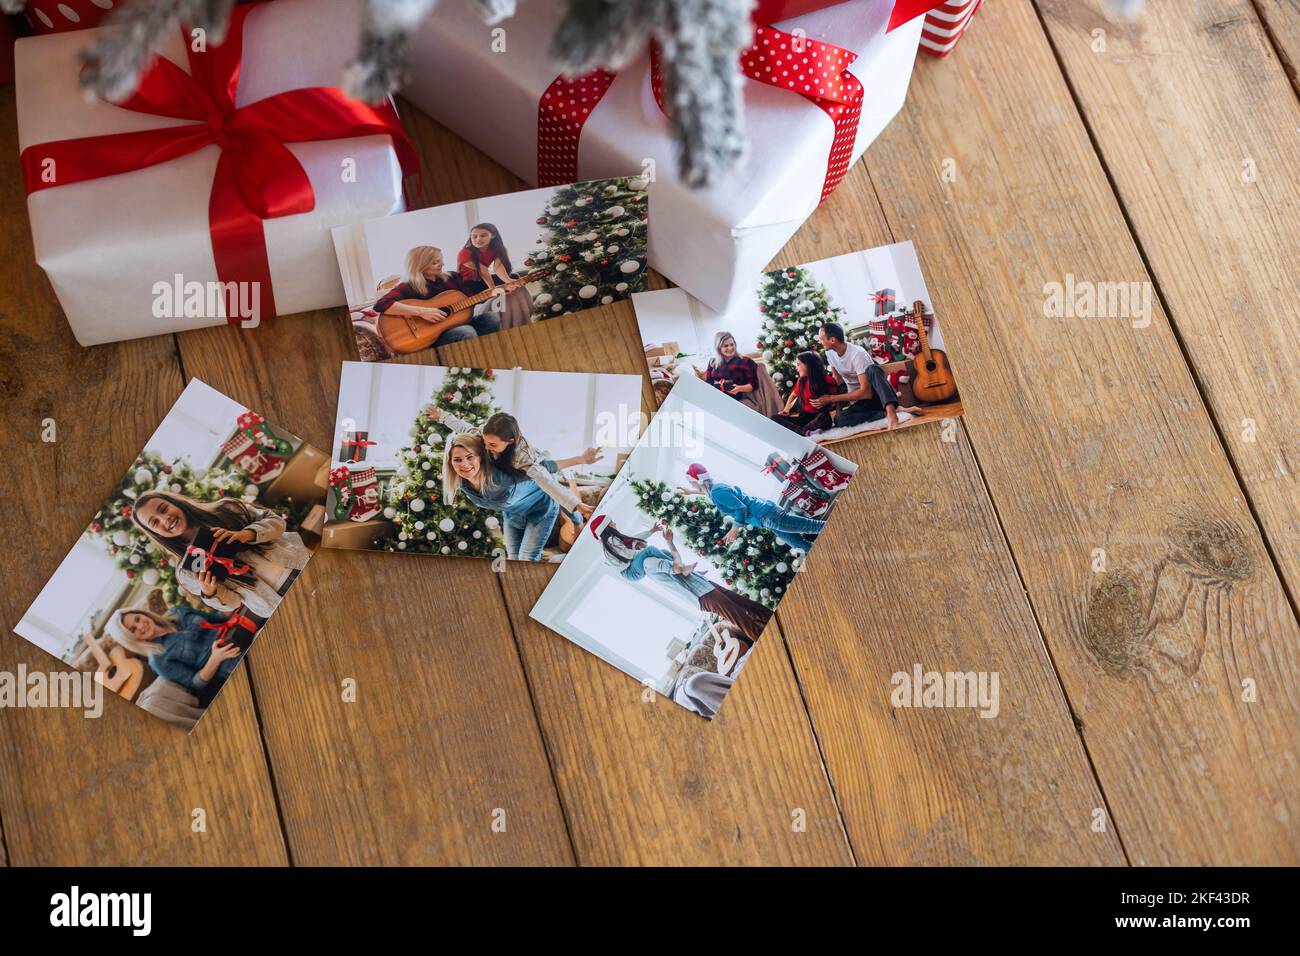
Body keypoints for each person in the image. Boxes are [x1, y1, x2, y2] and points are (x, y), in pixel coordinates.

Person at [591, 515, 772, 645]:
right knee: (740, 616)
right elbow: (669, 565)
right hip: (700, 594)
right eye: (612, 521)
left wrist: (669, 541)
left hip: (702, 583)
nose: (615, 522)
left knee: (745, 605)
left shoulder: (657, 556)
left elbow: (674, 559)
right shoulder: (648, 565)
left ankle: (772, 619)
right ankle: (770, 642)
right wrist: (673, 563)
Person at [132, 491, 310, 618]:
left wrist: (246, 534)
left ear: (175, 503)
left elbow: (277, 522)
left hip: (298, 565)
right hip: (274, 602)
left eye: (163, 509)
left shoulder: (227, 509)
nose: (165, 519)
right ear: (155, 533)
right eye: (154, 522)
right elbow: (233, 603)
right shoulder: (187, 573)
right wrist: (211, 591)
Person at [425, 406, 599, 520]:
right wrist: (442, 416)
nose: (485, 447)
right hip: (506, 465)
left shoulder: (523, 458)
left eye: (492, 445)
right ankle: (583, 459)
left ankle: (583, 459)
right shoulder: (482, 436)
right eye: (485, 442)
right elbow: (462, 427)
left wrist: (577, 505)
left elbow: (548, 483)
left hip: (538, 461)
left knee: (545, 470)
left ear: (508, 441)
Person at [442, 433, 559, 561]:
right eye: (457, 459)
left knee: (527, 558)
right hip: (513, 515)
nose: (464, 464)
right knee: (514, 560)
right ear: (451, 462)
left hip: (541, 510)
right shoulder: (462, 484)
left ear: (480, 457)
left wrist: (579, 459)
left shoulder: (500, 477)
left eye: (470, 457)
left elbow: (544, 468)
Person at [372, 245, 508, 346]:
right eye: (435, 262)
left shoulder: (452, 277)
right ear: (420, 265)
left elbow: (472, 297)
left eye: (441, 260)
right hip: (431, 336)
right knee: (466, 332)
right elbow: (381, 304)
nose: (442, 264)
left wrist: (500, 288)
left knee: (492, 318)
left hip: (458, 324)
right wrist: (422, 312)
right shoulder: (408, 287)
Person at [105, 605, 244, 701]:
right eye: (133, 629)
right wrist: (215, 659)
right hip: (229, 664)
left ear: (142, 614)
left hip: (237, 632)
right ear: (132, 639)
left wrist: (229, 602)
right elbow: (195, 683)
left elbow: (216, 617)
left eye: (137, 618)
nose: (141, 625)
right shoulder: (157, 660)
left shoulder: (176, 611)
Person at [678, 463, 824, 553]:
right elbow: (711, 494)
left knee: (813, 526)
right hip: (766, 516)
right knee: (800, 545)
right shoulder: (715, 489)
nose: (691, 485)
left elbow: (741, 508)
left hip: (766, 515)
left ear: (697, 480)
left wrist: (734, 530)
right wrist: (692, 492)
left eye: (691, 483)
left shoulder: (717, 492)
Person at [814, 322, 923, 430]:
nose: (819, 341)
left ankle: (891, 413)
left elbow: (866, 392)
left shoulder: (857, 354)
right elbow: (837, 380)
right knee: (840, 420)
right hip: (861, 401)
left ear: (832, 340)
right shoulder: (830, 353)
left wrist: (832, 398)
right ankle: (893, 411)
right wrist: (822, 394)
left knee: (873, 369)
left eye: (821, 338)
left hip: (877, 395)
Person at [456, 222, 533, 330]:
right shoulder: (464, 252)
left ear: (493, 235)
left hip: (482, 280)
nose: (478, 239)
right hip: (468, 284)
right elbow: (483, 270)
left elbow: (498, 268)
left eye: (483, 235)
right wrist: (492, 289)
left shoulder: (497, 249)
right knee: (506, 285)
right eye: (474, 236)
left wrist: (508, 280)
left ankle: (522, 319)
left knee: (515, 278)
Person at [773, 350, 838, 435]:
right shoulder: (801, 381)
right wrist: (786, 410)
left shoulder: (827, 380)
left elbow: (837, 398)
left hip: (820, 417)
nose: (797, 368)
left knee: (823, 417)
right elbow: (793, 395)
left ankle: (801, 432)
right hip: (804, 417)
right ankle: (806, 432)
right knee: (774, 418)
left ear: (809, 365)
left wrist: (830, 402)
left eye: (798, 365)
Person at [702, 332, 759, 403]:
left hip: (736, 399)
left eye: (732, 344)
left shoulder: (746, 361)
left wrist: (739, 388)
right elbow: (708, 382)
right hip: (716, 398)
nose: (730, 348)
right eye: (725, 346)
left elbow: (754, 384)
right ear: (719, 348)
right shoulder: (712, 362)